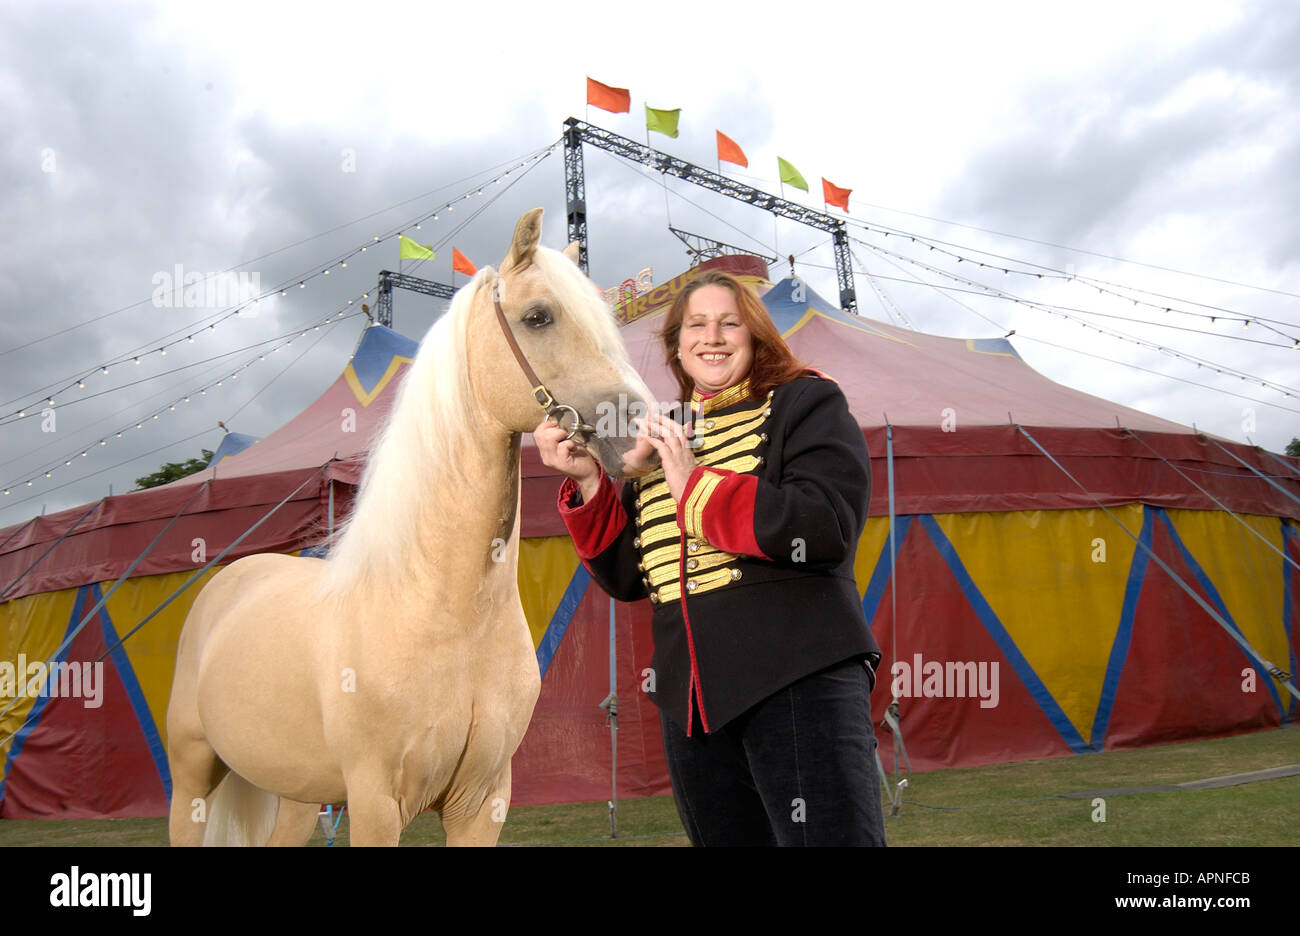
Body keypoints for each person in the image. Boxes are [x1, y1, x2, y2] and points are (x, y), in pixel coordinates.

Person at [533, 270, 886, 846]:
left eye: (729, 323)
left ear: (756, 335)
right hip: (691, 701)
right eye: (696, 325)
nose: (712, 337)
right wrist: (590, 481)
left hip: (799, 677)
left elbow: (825, 527)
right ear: (677, 346)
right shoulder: (665, 433)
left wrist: (692, 483)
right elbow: (629, 577)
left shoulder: (807, 401)